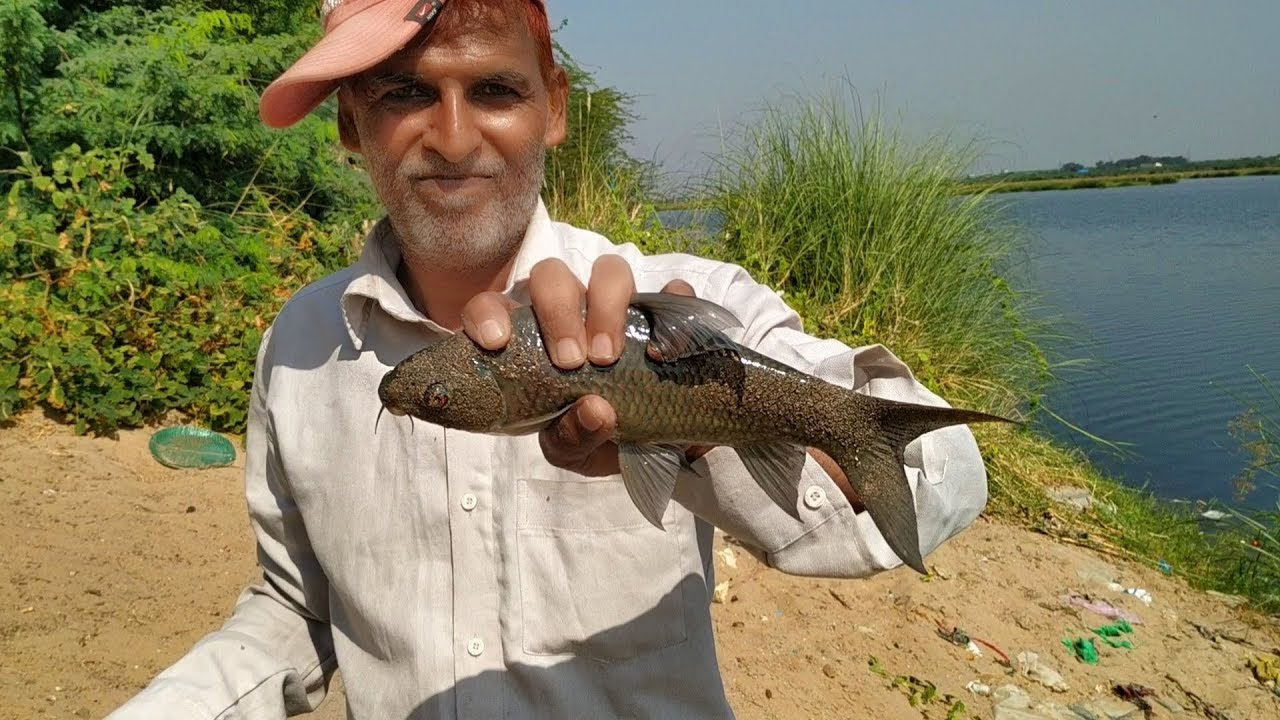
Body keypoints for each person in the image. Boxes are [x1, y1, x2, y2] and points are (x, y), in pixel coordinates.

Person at [108, 0, 990, 717]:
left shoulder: (685, 300)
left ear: (555, 108)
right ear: (349, 122)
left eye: (492, 89)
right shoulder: (299, 348)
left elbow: (942, 481)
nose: (453, 138)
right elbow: (298, 611)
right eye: (403, 94)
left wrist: (688, 434)